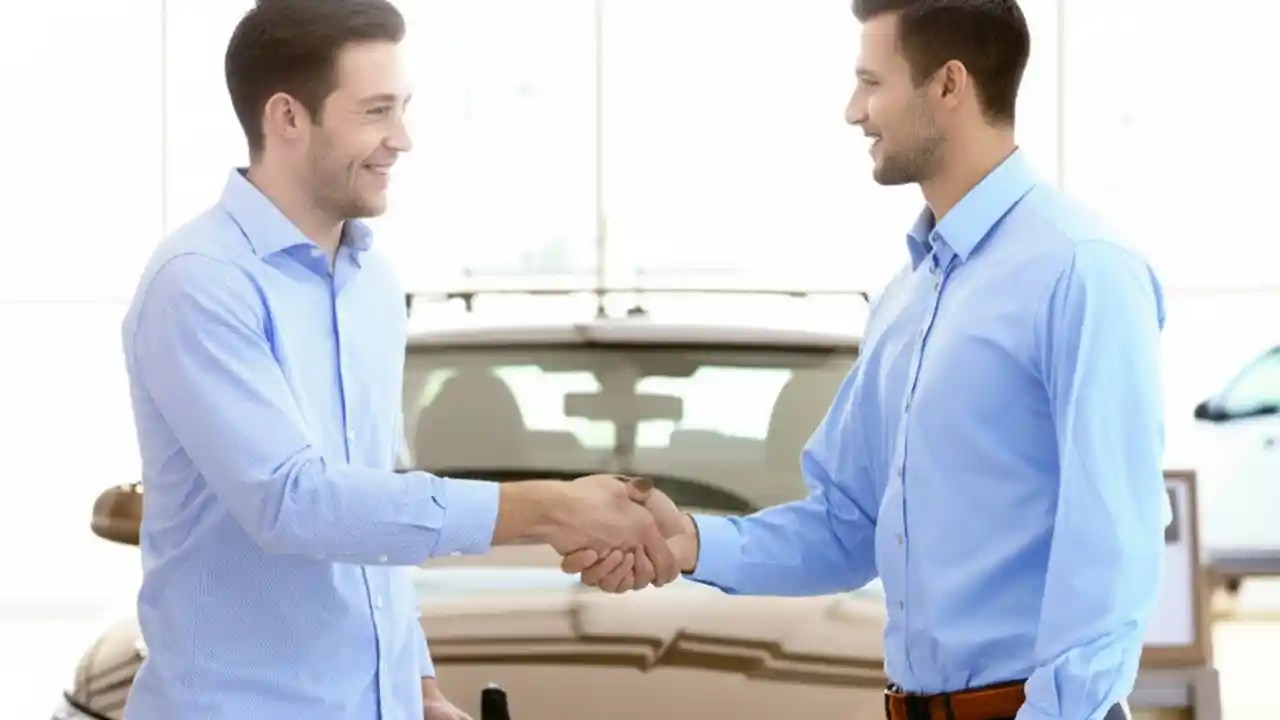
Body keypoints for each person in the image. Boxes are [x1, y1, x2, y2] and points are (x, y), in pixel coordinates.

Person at [567, 1, 1166, 719]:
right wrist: (690, 541)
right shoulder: (906, 298)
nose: (854, 111)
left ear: (949, 85)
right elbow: (847, 526)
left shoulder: (1083, 271)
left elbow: (1113, 545)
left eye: (871, 82)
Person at [119, 1, 676, 718]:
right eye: (376, 111)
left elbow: (371, 506)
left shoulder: (371, 284)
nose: (402, 139)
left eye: (402, 108)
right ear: (288, 117)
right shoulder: (200, 282)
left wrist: (415, 684)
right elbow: (293, 502)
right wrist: (548, 508)